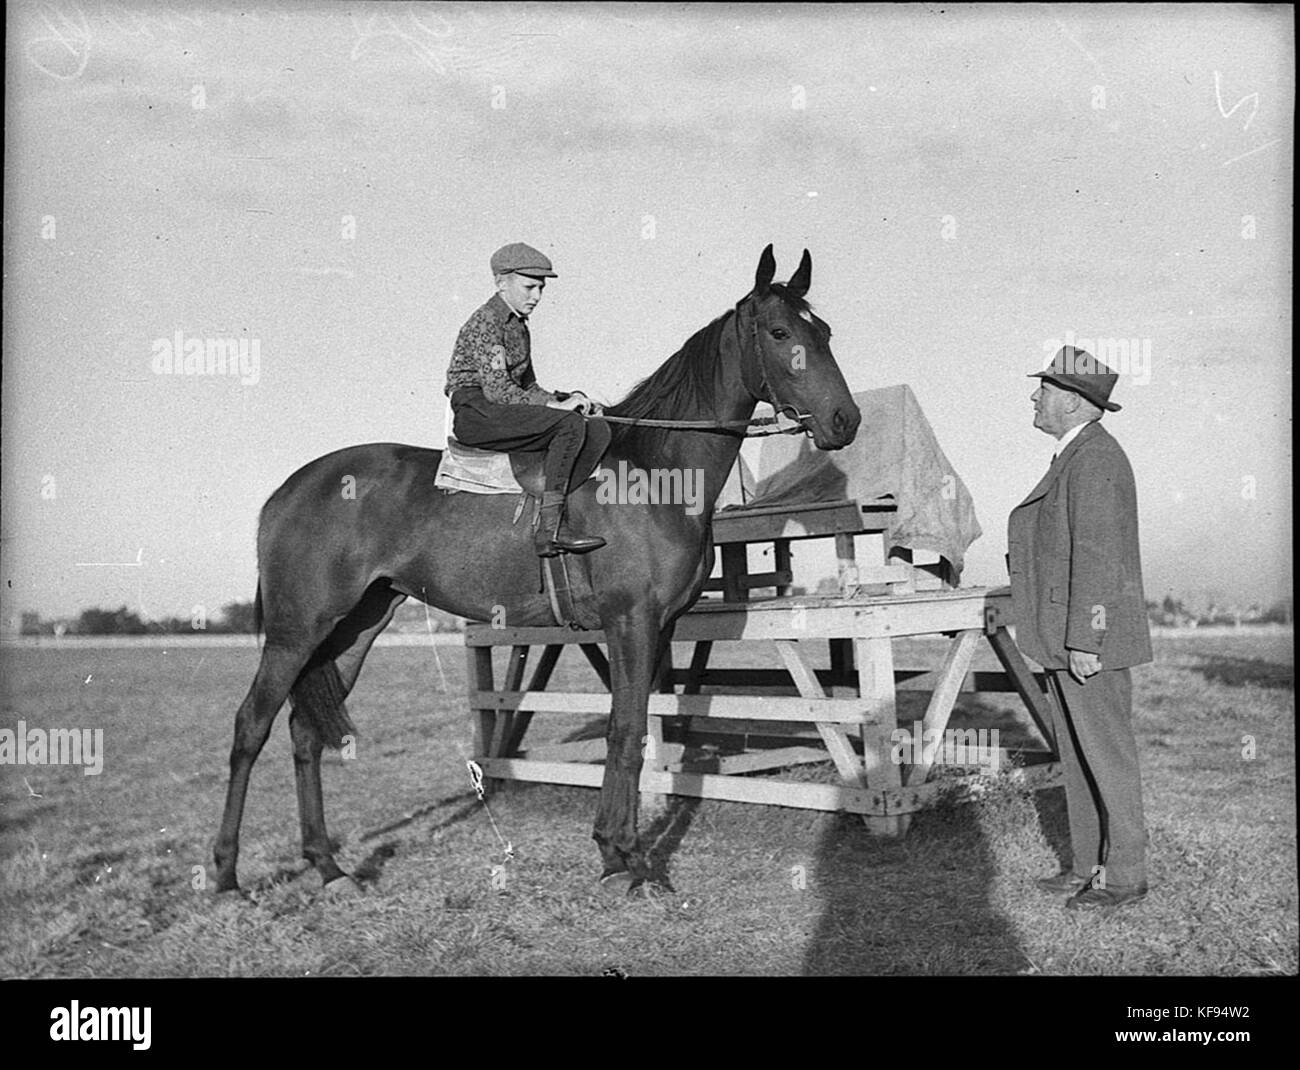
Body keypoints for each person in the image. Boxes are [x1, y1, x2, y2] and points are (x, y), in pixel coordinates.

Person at [1008, 345, 1153, 911]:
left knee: (1108, 759)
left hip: (1087, 644)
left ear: (1070, 401)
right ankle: (1085, 866)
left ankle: (1124, 878)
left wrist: (1085, 641)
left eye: (1043, 389)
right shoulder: (1078, 455)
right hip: (1065, 641)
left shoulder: (1094, 459)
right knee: (1078, 758)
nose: (1035, 397)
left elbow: (1099, 557)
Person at [445, 242, 609, 557]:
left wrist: (567, 398)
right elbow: (497, 390)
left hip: (496, 408)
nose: (536, 296)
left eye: (541, 289)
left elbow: (528, 387)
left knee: (589, 423)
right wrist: (557, 408)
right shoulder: (487, 322)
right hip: (477, 411)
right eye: (529, 287)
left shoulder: (518, 326)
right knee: (569, 426)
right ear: (501, 283)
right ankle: (549, 532)